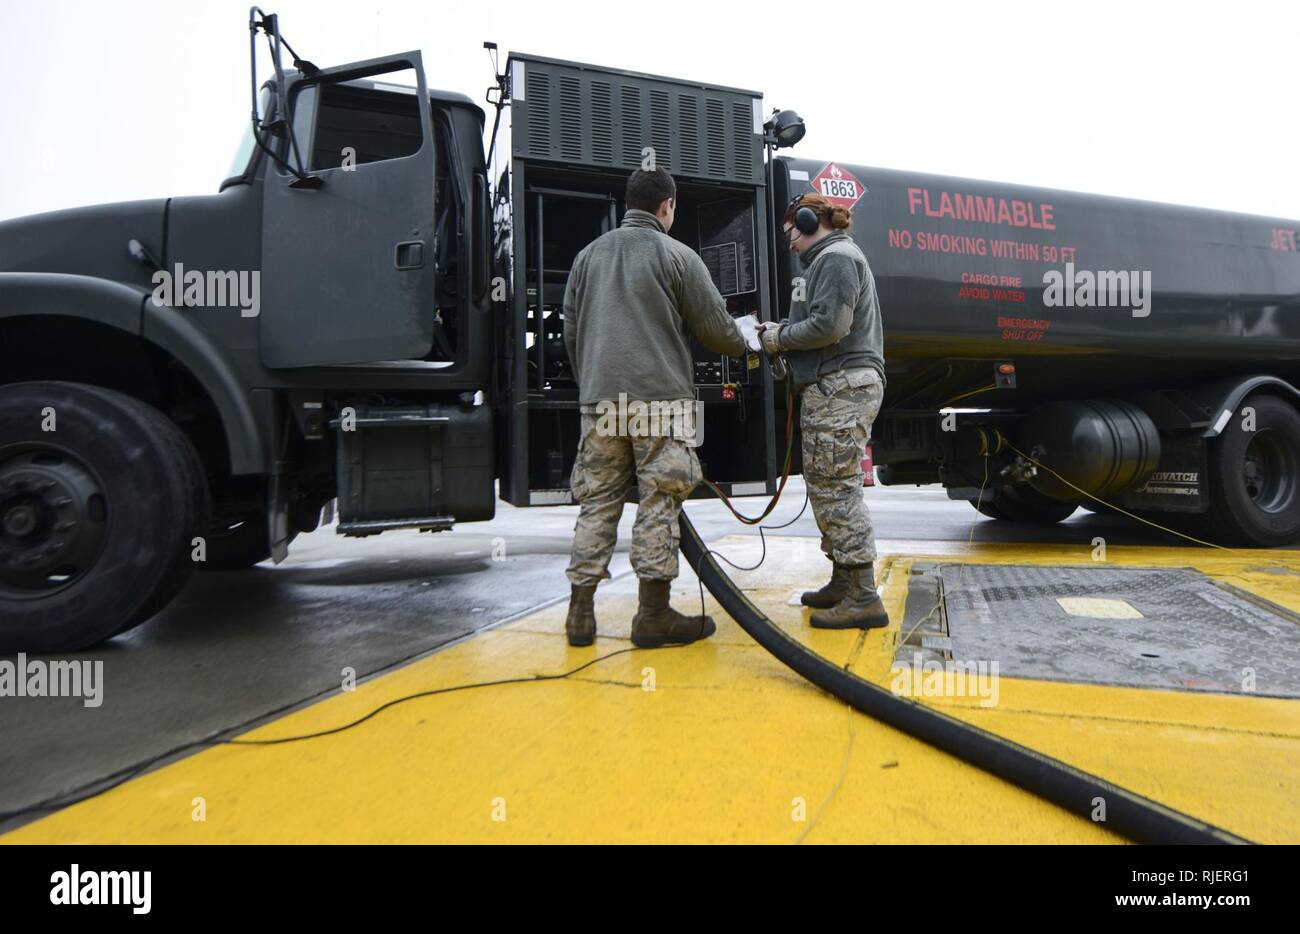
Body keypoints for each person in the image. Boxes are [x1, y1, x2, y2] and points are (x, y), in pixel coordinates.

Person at [562, 167, 746, 648]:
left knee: (597, 504)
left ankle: (580, 615)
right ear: (668, 205)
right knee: (659, 502)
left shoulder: (587, 257)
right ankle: (653, 615)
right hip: (660, 403)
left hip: (601, 402)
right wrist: (750, 339)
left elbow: (571, 332)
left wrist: (596, 384)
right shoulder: (678, 255)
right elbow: (717, 332)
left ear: (629, 204)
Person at [758, 192, 888, 628]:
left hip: (843, 386)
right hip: (832, 387)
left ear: (810, 221)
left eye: (791, 233)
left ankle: (865, 595)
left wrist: (779, 337)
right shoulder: (826, 261)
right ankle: (843, 580)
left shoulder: (835, 258)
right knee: (826, 483)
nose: (790, 243)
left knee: (838, 486)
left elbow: (831, 326)